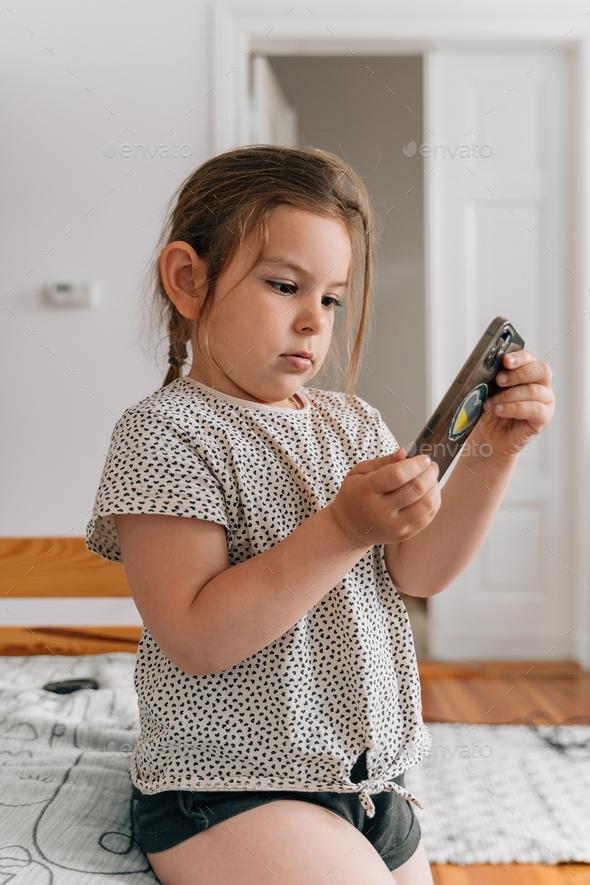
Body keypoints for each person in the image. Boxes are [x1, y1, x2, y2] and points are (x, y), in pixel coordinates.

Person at [86, 145, 555, 885]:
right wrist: (341, 528)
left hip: (368, 782)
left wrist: (496, 449)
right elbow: (197, 636)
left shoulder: (350, 422)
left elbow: (419, 568)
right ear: (188, 280)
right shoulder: (166, 433)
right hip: (228, 785)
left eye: (331, 298)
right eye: (283, 285)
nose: (313, 319)